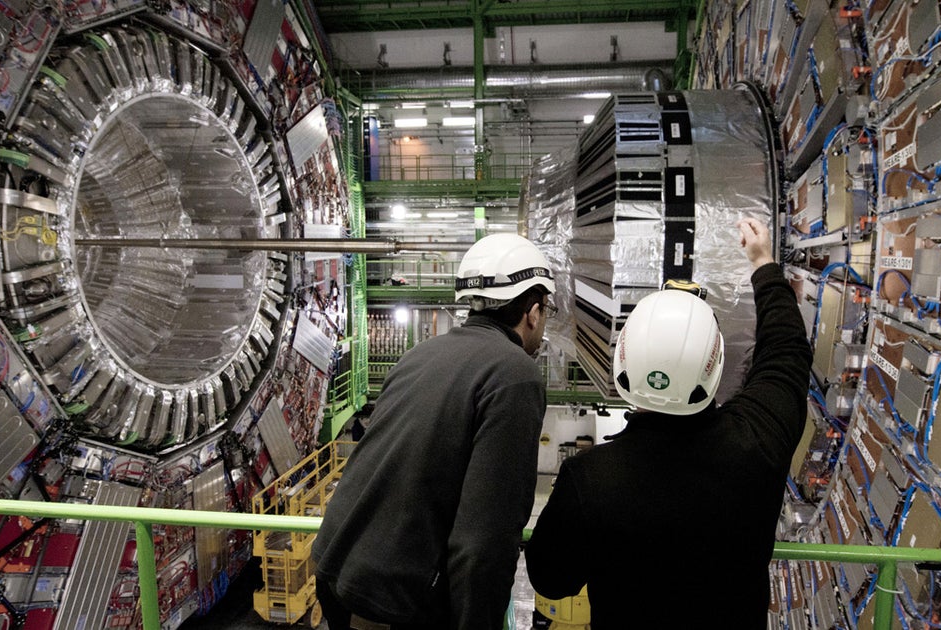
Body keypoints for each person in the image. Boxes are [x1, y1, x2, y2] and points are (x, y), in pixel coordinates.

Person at [524, 217, 811, 629]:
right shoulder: (758, 441)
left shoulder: (589, 480)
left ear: (622, 363)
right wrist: (762, 262)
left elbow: (551, 579)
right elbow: (787, 353)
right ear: (714, 365)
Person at [312, 232, 556, 630]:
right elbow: (485, 539)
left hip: (335, 564)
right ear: (532, 310)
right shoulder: (515, 375)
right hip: (390, 601)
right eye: (546, 310)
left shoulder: (420, 353)